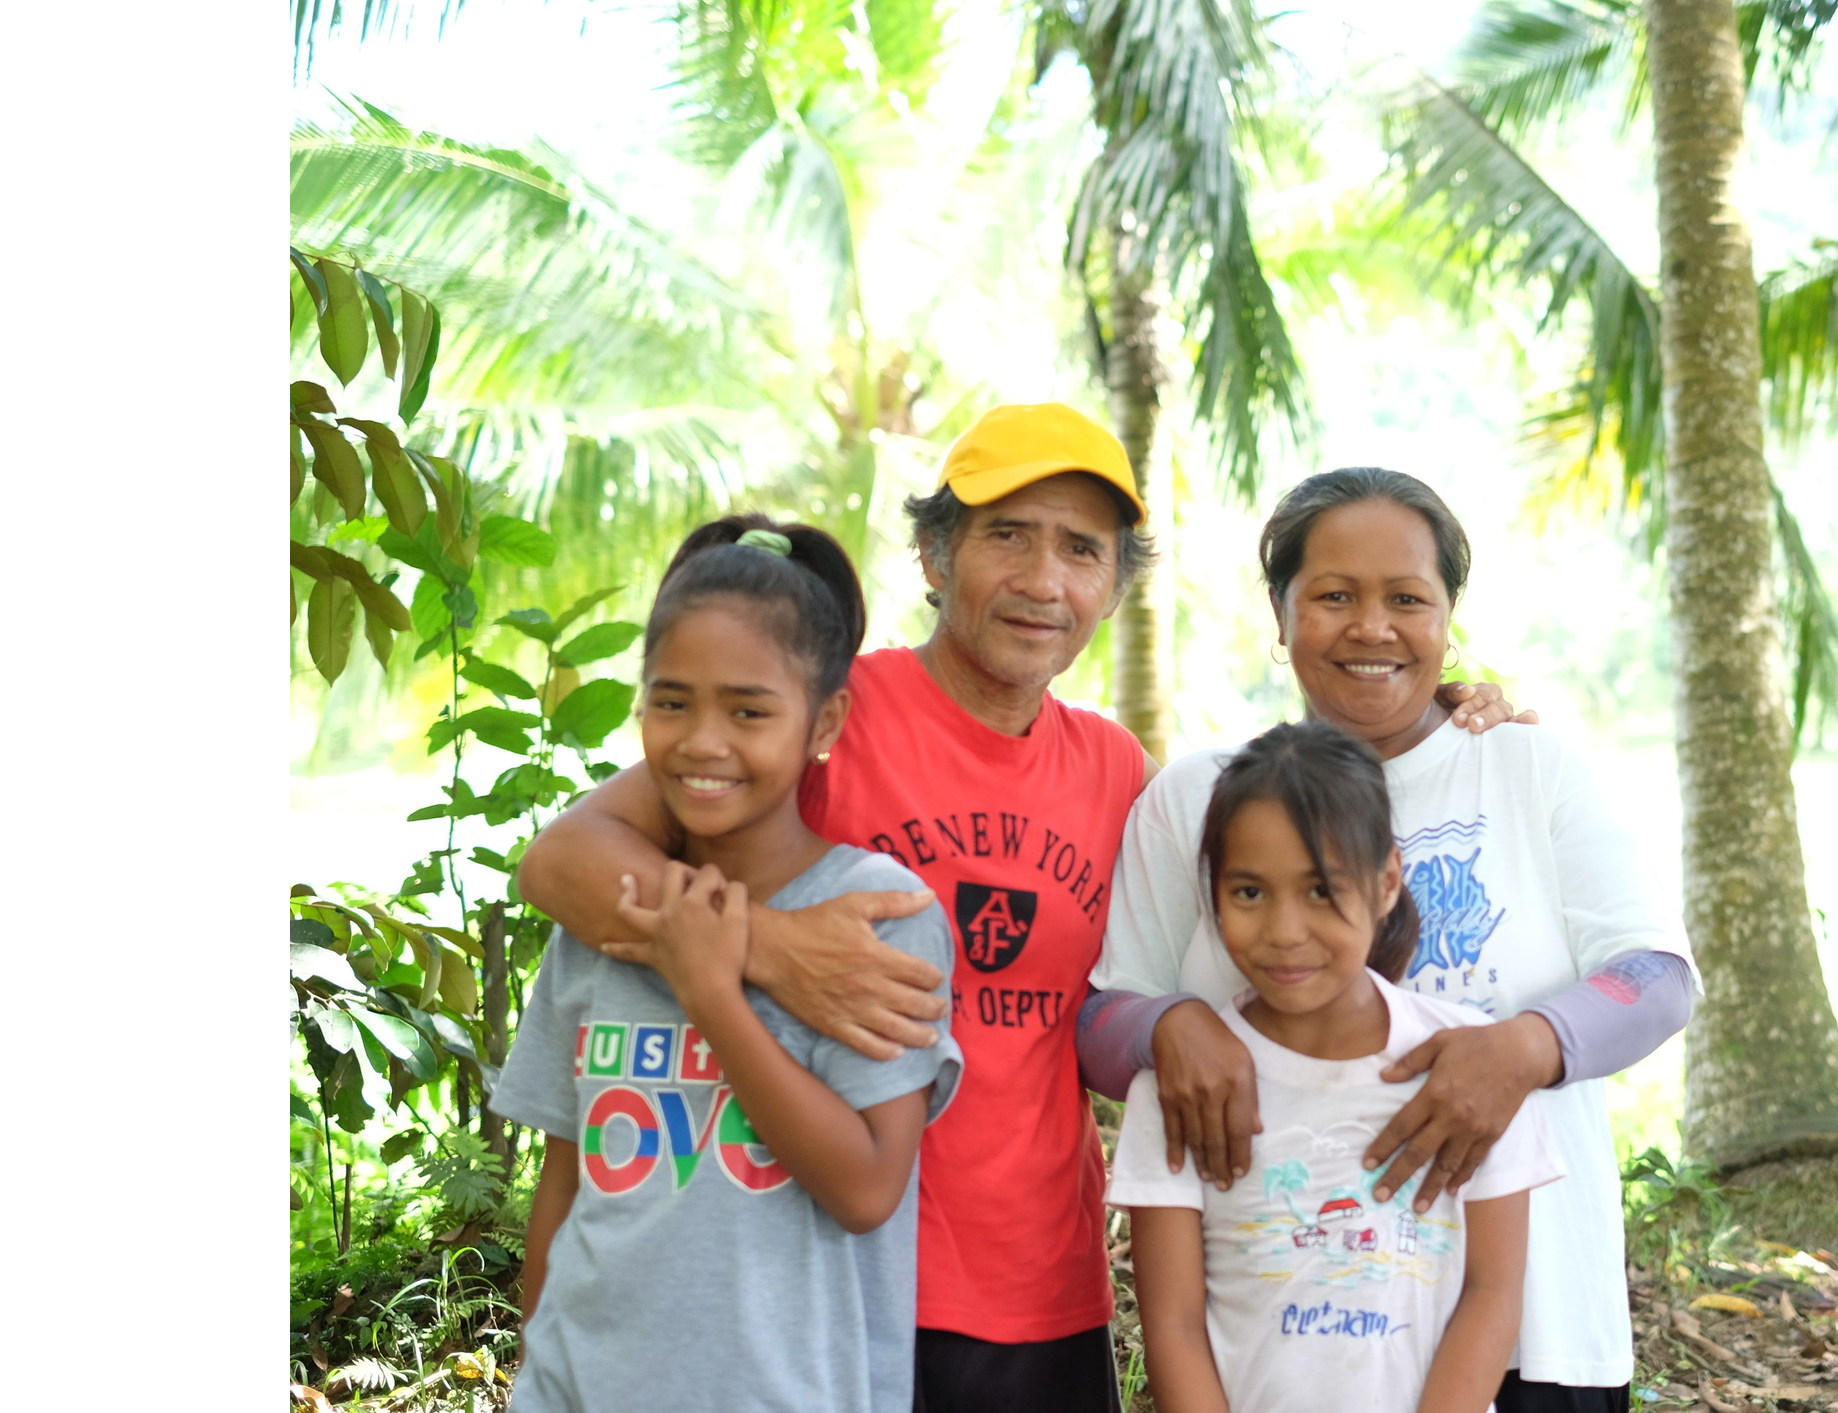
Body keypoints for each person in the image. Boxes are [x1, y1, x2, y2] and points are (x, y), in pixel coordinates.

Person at [516, 405, 1526, 1410]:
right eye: (1007, 535)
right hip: (831, 1272)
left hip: (1040, 1287)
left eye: (1082, 551)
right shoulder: (824, 711)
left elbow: (1289, 852)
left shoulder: (1116, 769)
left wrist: (1440, 718)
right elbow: (565, 861)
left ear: (1112, 587)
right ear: (933, 552)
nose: (1045, 580)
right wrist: (773, 950)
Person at [1082, 468, 1700, 1412]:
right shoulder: (1199, 795)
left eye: (1407, 599)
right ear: (1281, 614)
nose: (1372, 627)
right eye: (1333, 596)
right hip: (1279, 1355)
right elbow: (1104, 1014)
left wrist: (1522, 1050)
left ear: (1448, 617)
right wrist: (1166, 1027)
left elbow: (1657, 975)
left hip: (1538, 1322)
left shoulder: (1527, 764)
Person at [495, 517, 964, 1412]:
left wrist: (714, 990)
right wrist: (533, 1368)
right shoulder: (603, 912)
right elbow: (567, 1176)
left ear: (824, 721)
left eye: (748, 710)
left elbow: (867, 1187)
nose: (703, 741)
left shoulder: (878, 918)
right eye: (671, 702)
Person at [1110, 720, 1560, 1413]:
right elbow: (1173, 1322)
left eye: (1320, 889)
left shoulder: (1471, 1070)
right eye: (1250, 892)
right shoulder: (1177, 1092)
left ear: (1386, 882)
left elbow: (1492, 1292)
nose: (1286, 930)